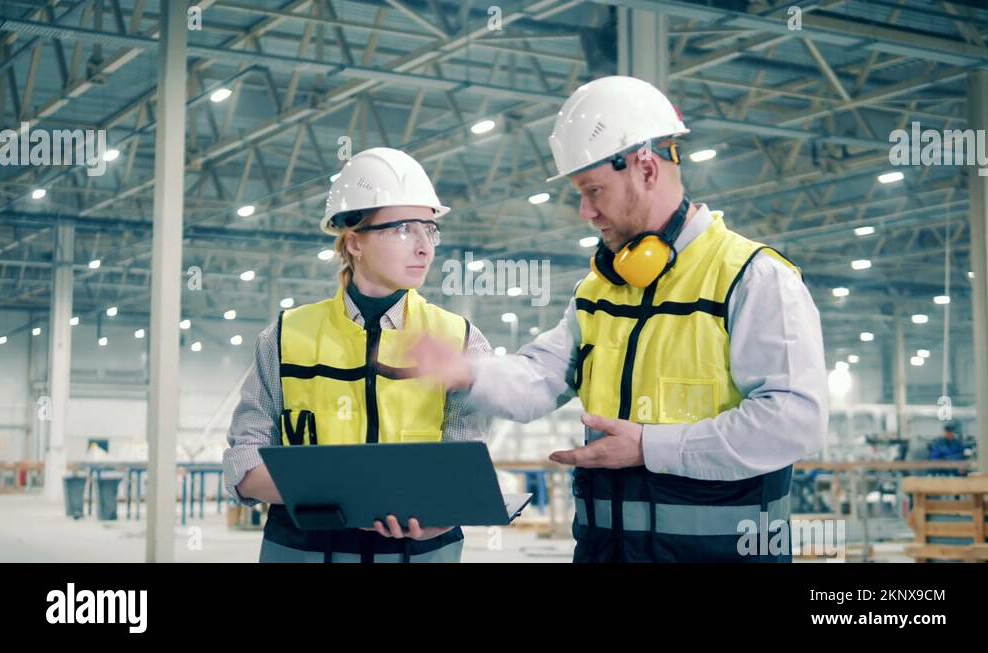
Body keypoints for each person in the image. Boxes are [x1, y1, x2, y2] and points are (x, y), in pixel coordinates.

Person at [411, 76, 829, 562]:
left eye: (594, 191)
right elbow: (538, 379)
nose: (585, 212)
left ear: (645, 168)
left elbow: (795, 423)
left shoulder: (752, 278)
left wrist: (650, 447)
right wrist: (468, 371)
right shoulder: (598, 290)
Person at [222, 147, 492, 563]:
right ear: (354, 242)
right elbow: (243, 463)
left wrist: (443, 513)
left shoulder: (459, 340)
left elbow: (465, 460)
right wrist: (347, 497)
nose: (425, 247)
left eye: (430, 229)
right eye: (404, 229)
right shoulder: (284, 337)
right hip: (305, 553)